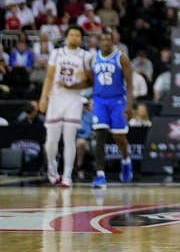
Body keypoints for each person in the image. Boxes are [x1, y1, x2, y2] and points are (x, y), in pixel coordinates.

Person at [38, 25, 91, 187]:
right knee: (51, 141)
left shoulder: (86, 56)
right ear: (67, 37)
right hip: (55, 98)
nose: (74, 37)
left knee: (69, 140)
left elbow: (90, 82)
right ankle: (52, 168)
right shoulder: (56, 53)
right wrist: (43, 98)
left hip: (74, 100)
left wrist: (82, 80)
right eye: (72, 34)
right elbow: (49, 77)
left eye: (77, 35)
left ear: (81, 39)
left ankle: (67, 175)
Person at [90, 29, 135, 188]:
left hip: (117, 101)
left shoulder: (121, 58)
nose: (105, 43)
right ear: (99, 42)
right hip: (100, 101)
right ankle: (100, 175)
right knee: (100, 136)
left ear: (113, 42)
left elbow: (129, 85)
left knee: (118, 137)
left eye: (108, 40)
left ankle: (125, 160)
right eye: (102, 40)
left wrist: (129, 106)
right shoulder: (93, 58)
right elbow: (91, 80)